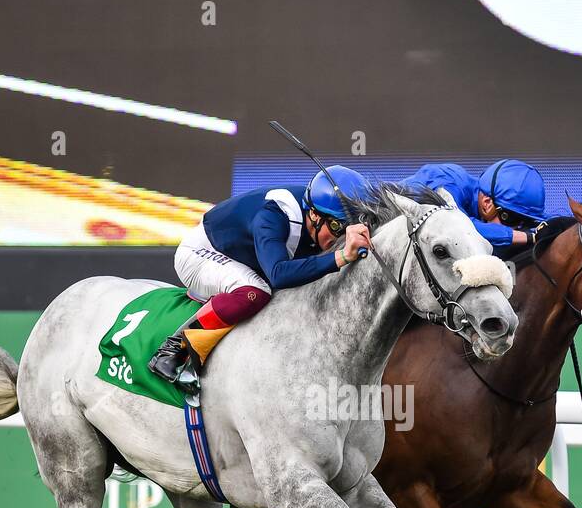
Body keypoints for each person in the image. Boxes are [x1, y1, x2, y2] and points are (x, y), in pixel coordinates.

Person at [149, 164, 372, 387]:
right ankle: (174, 350)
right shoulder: (275, 216)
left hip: (244, 259)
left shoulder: (319, 211)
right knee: (256, 292)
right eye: (336, 227)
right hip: (201, 254)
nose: (341, 237)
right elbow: (278, 275)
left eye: (347, 229)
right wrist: (342, 256)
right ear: (313, 214)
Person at [402, 159, 545, 256]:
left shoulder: (490, 198)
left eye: (524, 222)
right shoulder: (448, 186)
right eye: (512, 219)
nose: (516, 228)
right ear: (488, 203)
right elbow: (462, 228)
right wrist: (530, 236)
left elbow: (548, 223)